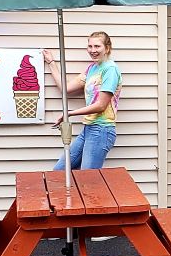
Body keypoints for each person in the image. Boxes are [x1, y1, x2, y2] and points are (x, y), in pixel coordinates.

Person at [44, 31, 120, 170]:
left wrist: (70, 114)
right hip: (88, 128)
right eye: (90, 46)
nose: (93, 50)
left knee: (88, 180)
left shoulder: (111, 69)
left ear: (107, 48)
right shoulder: (92, 69)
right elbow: (66, 88)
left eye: (97, 46)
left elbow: (101, 105)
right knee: (59, 171)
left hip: (102, 130)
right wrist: (51, 62)